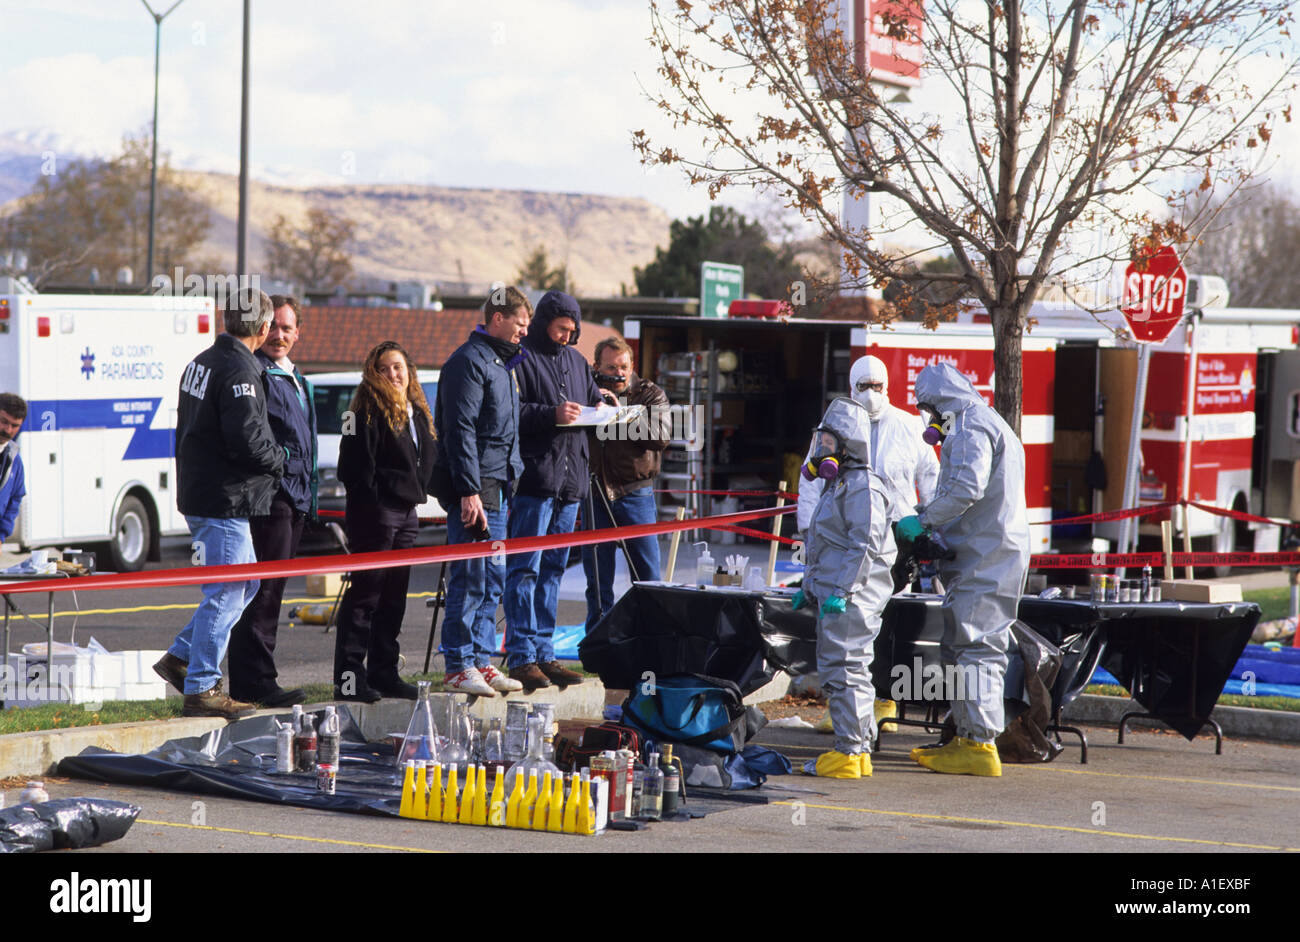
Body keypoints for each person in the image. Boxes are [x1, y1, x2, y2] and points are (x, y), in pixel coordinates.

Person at [153, 288, 285, 719]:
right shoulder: (239, 369)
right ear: (263, 329)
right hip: (224, 499)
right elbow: (247, 438)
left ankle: (182, 658)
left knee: (243, 585)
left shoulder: (202, 361)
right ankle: (203, 686)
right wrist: (281, 459)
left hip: (206, 492)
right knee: (227, 588)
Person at [900, 362, 1030, 777]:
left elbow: (966, 488)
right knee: (963, 645)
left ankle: (979, 746)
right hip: (985, 551)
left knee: (976, 646)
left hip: (988, 554)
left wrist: (925, 521)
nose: (929, 419)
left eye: (928, 408)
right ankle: (967, 737)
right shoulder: (981, 421)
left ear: (939, 401)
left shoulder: (971, 424)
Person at [797, 354, 939, 730]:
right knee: (847, 633)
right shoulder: (830, 432)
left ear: (888, 387)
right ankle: (848, 710)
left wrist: (927, 526)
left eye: (877, 387)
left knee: (884, 624)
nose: (872, 394)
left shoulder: (909, 427)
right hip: (845, 542)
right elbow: (809, 487)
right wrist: (810, 546)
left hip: (895, 541)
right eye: (864, 387)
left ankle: (882, 700)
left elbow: (931, 480)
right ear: (851, 388)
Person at [431, 287, 531, 698]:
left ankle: (482, 661)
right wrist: (469, 490)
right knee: (470, 577)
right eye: (520, 324)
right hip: (477, 486)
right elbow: (460, 430)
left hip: (499, 483)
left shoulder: (503, 364)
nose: (524, 333)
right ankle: (458, 665)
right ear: (497, 318)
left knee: (493, 578)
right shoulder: (468, 362)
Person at [504, 290, 605, 692]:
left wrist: (606, 404)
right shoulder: (519, 358)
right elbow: (510, 413)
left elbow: (594, 404)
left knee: (553, 571)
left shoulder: (579, 363)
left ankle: (545, 655)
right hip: (535, 483)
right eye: (561, 328)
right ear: (545, 320)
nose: (566, 336)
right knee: (525, 569)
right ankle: (522, 656)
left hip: (570, 485)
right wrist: (551, 415)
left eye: (572, 330)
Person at [792, 396, 896, 779]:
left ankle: (850, 752)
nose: (821, 452)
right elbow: (823, 541)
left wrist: (844, 590)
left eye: (829, 445)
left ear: (849, 446)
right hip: (835, 593)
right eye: (820, 443)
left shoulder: (863, 488)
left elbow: (864, 545)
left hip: (851, 598)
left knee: (846, 670)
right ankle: (859, 750)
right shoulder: (839, 485)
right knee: (844, 668)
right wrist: (810, 584)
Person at [332, 341, 437, 702]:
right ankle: (349, 680)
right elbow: (352, 470)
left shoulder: (417, 411)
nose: (393, 374)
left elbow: (426, 463)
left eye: (398, 367)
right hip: (375, 515)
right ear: (373, 374)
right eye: (385, 368)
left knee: (394, 598)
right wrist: (375, 505)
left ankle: (383, 673)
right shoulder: (363, 411)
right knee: (365, 597)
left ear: (409, 371)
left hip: (408, 513)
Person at [227, 295, 314, 708]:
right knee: (260, 593)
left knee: (274, 591)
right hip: (271, 499)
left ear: (298, 333)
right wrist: (283, 467)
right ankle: (254, 681)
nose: (279, 335)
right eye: (273, 326)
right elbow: (258, 436)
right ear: (261, 329)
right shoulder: (257, 373)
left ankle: (258, 677)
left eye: (287, 328)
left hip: (296, 499)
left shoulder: (296, 377)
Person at [581, 337, 670, 633]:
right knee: (597, 578)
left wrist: (617, 415)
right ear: (597, 367)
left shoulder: (650, 394)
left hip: (636, 492)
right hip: (594, 494)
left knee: (647, 577)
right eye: (610, 367)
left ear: (633, 366)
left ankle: (652, 638)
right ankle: (598, 642)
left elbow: (660, 436)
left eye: (624, 366)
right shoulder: (585, 390)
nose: (618, 373)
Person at [0, 393, 27, 545]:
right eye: (4, 422)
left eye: (15, 425)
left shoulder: (14, 459)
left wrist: (1, 535)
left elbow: (16, 497)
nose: (8, 430)